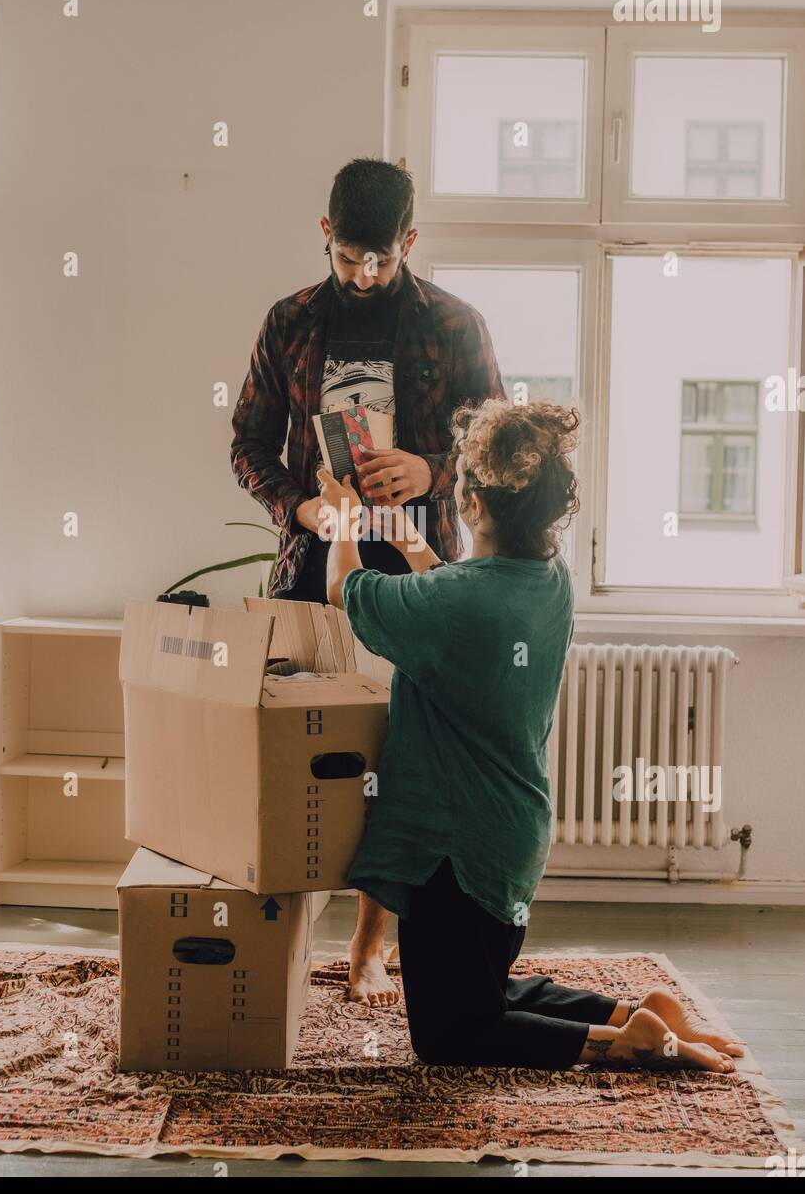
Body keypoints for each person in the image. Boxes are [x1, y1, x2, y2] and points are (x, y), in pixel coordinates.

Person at [318, 398, 745, 1074]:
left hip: (453, 854)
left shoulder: (456, 602)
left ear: (475, 509)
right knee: (482, 990)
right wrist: (403, 535)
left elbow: (345, 587)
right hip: (511, 839)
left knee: (450, 1035)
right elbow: (455, 592)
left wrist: (341, 517)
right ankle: (631, 1010)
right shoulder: (549, 580)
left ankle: (624, 1040)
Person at [231, 157, 506, 1006]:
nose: (365, 272)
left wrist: (428, 471)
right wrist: (300, 509)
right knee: (293, 755)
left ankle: (368, 948)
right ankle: (279, 941)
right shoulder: (289, 323)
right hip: (313, 564)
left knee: (403, 761)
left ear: (410, 242)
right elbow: (245, 444)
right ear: (325, 235)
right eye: (350, 256)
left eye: (381, 257)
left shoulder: (456, 325)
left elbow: (499, 441)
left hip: (421, 570)